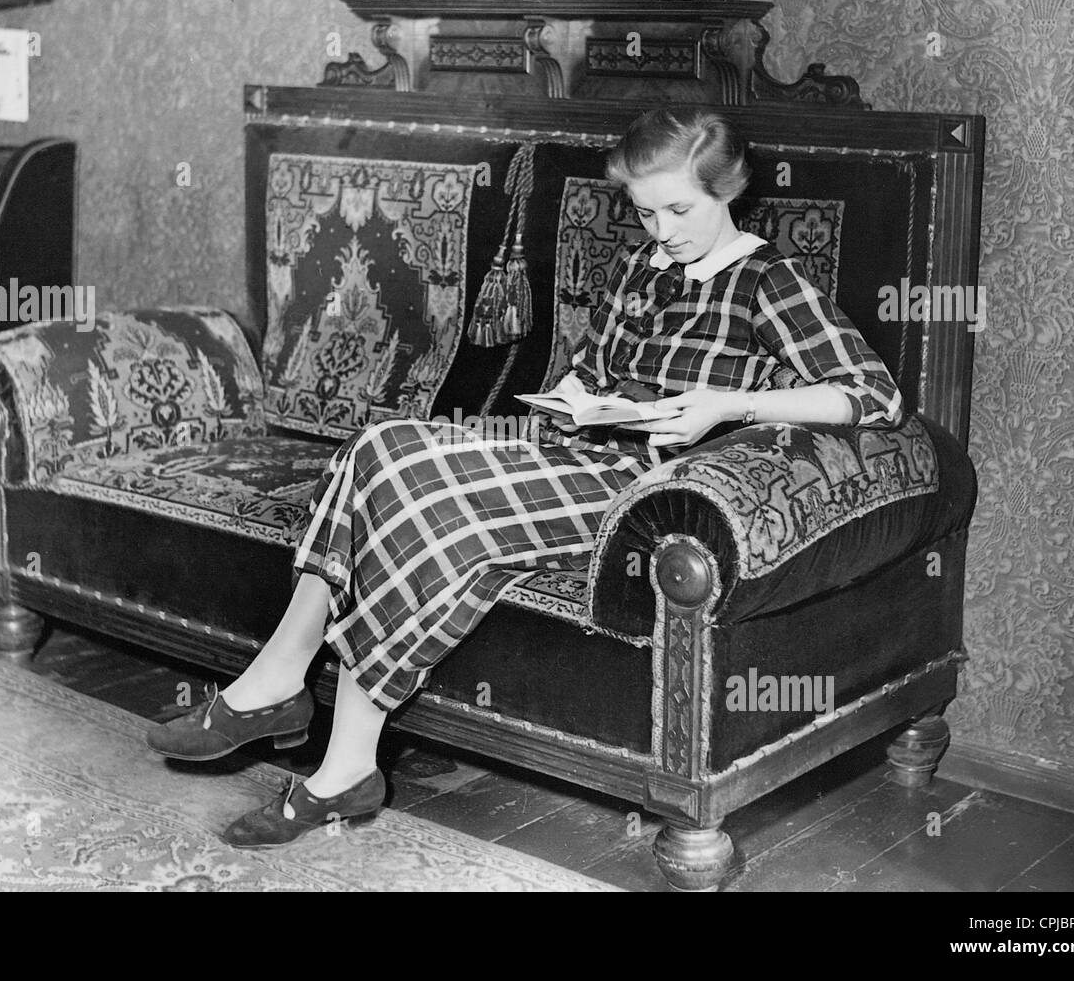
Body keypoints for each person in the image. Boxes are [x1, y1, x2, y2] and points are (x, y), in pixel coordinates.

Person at [145, 107, 904, 849]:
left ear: (728, 189)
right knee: (379, 444)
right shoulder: (646, 265)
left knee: (433, 505)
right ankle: (287, 684)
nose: (662, 231)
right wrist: (577, 394)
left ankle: (335, 754)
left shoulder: (770, 279)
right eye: (645, 214)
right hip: (579, 452)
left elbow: (874, 395)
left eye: (679, 209)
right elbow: (595, 368)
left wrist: (727, 405)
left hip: (648, 492)